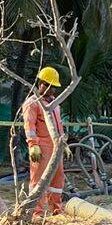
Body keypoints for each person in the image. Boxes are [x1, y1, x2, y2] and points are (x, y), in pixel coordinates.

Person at [22, 65, 67, 216]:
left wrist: (63, 144)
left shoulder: (54, 104)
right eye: (49, 86)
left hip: (56, 146)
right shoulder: (32, 103)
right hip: (41, 147)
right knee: (39, 180)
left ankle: (57, 210)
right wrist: (33, 144)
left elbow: (58, 125)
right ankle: (36, 212)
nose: (52, 90)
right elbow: (29, 126)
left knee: (57, 179)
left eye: (54, 87)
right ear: (41, 84)